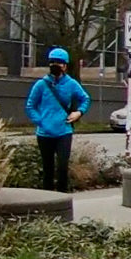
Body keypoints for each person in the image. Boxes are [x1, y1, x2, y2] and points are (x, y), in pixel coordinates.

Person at [24, 47, 89, 192]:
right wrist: (41, 121)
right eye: (52, 62)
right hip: (44, 133)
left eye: (59, 63)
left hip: (63, 131)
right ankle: (48, 199)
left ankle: (62, 197)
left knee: (62, 167)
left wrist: (79, 112)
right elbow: (30, 106)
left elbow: (85, 98)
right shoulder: (41, 84)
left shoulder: (71, 84)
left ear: (65, 66)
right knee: (47, 169)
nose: (55, 65)